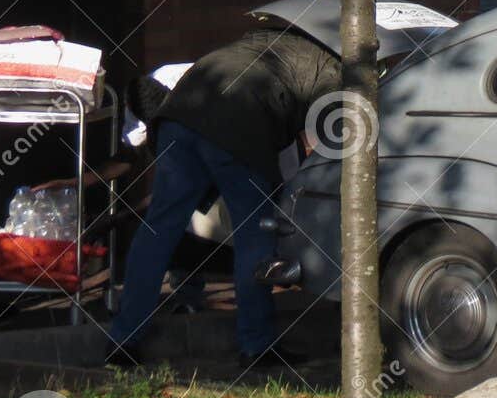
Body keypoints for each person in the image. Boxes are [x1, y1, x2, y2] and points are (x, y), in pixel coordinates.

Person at [107, 28, 341, 370]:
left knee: (158, 230)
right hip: (237, 124)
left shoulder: (260, 40)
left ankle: (123, 342)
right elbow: (336, 137)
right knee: (255, 234)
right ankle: (256, 346)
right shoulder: (332, 68)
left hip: (179, 118)